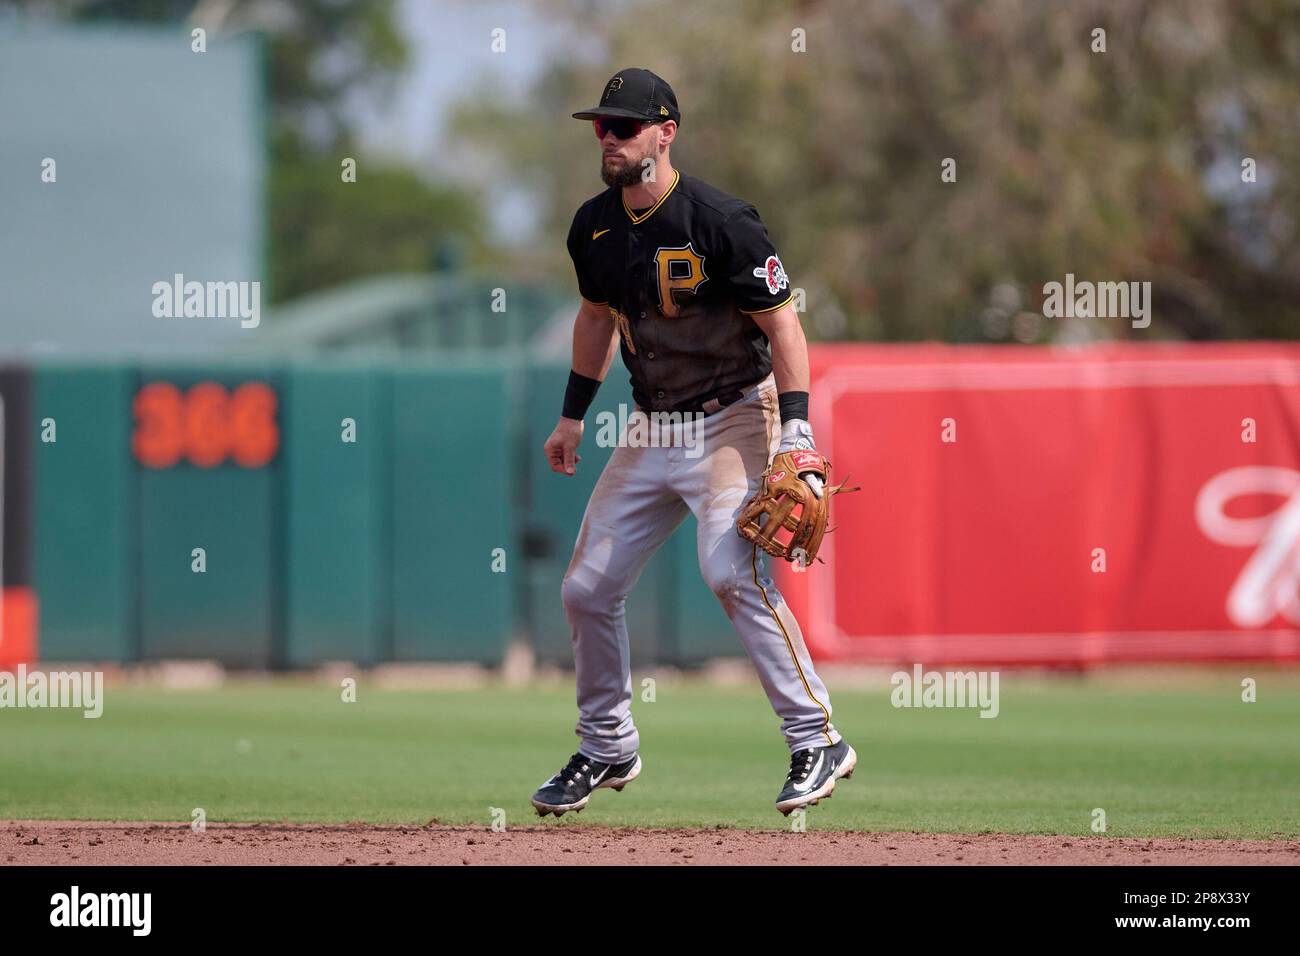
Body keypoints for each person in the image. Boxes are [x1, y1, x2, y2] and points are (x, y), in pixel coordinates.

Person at [531, 69, 855, 818]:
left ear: (665, 133)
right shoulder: (594, 226)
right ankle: (607, 745)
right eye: (600, 126)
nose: (607, 138)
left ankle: (818, 737)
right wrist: (573, 414)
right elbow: (593, 318)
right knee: (586, 588)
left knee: (727, 569)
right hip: (651, 423)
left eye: (624, 126)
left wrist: (796, 428)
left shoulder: (721, 219)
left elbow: (784, 326)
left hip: (734, 413)